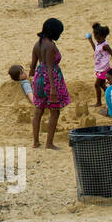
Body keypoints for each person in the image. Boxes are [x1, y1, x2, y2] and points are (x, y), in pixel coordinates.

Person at [29, 17, 69, 149]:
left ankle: (35, 142)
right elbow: (50, 68)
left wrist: (33, 80)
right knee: (54, 112)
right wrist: (52, 89)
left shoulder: (37, 44)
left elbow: (32, 66)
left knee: (38, 110)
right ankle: (49, 143)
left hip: (38, 78)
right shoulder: (50, 46)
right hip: (50, 80)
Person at [87, 23, 112, 105]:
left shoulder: (105, 45)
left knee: (97, 85)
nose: (97, 40)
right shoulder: (98, 43)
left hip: (104, 68)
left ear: (103, 36)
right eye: (96, 38)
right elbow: (96, 50)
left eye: (99, 38)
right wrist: (91, 41)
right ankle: (111, 98)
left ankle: (99, 102)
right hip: (100, 67)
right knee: (102, 85)